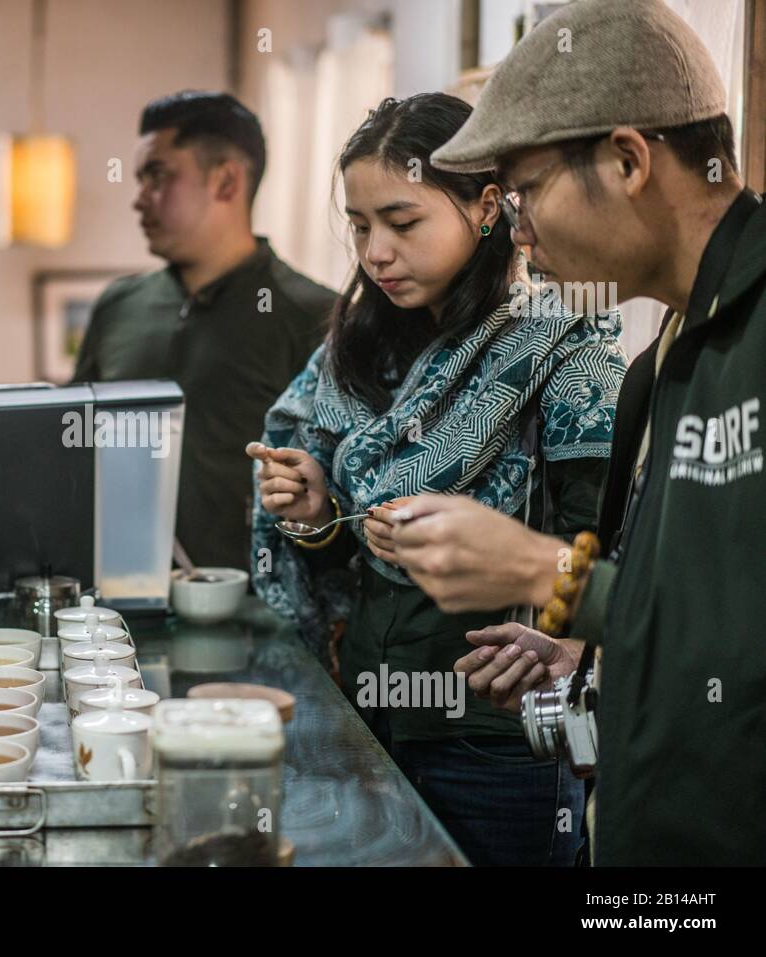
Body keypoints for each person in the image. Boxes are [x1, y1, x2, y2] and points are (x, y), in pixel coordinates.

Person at [385, 0, 765, 866]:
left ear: (629, 160)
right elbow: (695, 595)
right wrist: (581, 638)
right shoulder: (657, 361)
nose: (517, 232)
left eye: (525, 194)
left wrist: (539, 567)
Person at [247, 93, 628, 866]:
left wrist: (535, 603)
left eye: (403, 221)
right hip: (366, 716)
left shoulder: (559, 343)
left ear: (486, 207)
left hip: (495, 739)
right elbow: (344, 567)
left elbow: (603, 545)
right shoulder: (358, 348)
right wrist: (317, 513)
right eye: (359, 227)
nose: (376, 252)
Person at [73, 91, 337, 570]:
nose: (138, 199)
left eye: (158, 176)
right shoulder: (119, 305)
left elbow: (344, 489)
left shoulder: (314, 315)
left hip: (261, 607)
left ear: (226, 180)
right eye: (139, 179)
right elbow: (69, 444)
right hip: (111, 597)